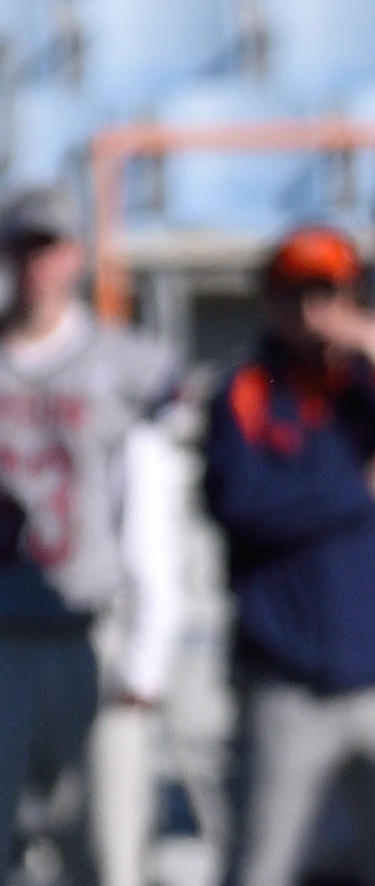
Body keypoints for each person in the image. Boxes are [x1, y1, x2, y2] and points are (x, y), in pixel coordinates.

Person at [0, 186, 187, 886]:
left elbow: (151, 507)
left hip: (86, 625)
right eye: (24, 246)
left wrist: (153, 639)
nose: (37, 264)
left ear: (75, 256)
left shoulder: (125, 365)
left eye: (50, 246)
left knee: (107, 848)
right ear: (3, 255)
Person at [202, 226, 375, 886]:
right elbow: (243, 507)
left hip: (371, 677)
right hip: (287, 682)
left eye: (325, 294)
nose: (310, 312)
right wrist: (355, 491)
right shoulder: (246, 388)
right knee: (261, 865)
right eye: (294, 295)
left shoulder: (360, 383)